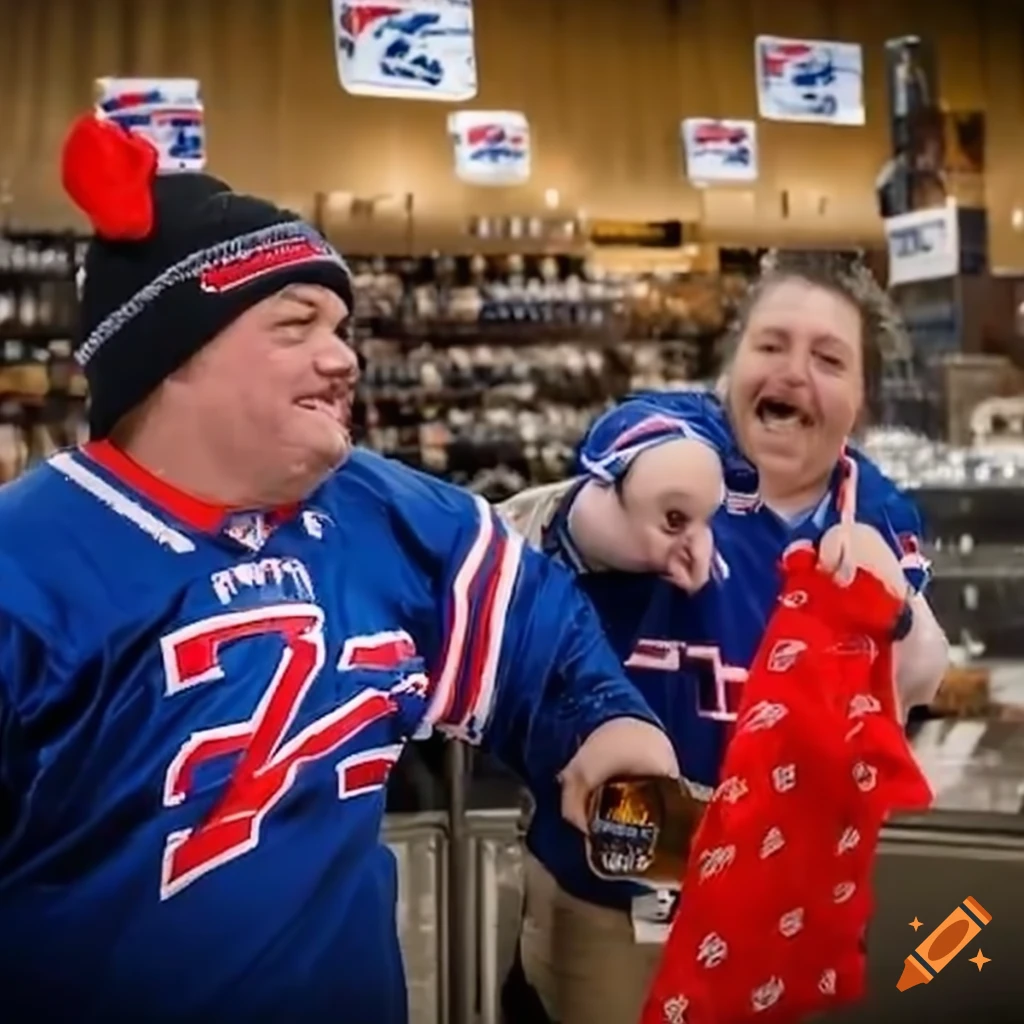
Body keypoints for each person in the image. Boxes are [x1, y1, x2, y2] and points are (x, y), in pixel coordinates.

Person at [0, 115, 681, 1024]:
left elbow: (539, 643)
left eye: (342, 327)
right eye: (297, 325)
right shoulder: (26, 567)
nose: (343, 358)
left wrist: (608, 727)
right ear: (173, 359)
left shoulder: (387, 516)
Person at [501, 250, 949, 1024]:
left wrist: (897, 608)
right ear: (732, 365)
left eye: (829, 358)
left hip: (783, 913)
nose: (794, 372)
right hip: (618, 908)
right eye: (771, 344)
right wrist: (655, 506)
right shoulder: (685, 437)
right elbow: (605, 492)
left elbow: (918, 684)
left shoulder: (877, 510)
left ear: (862, 399)